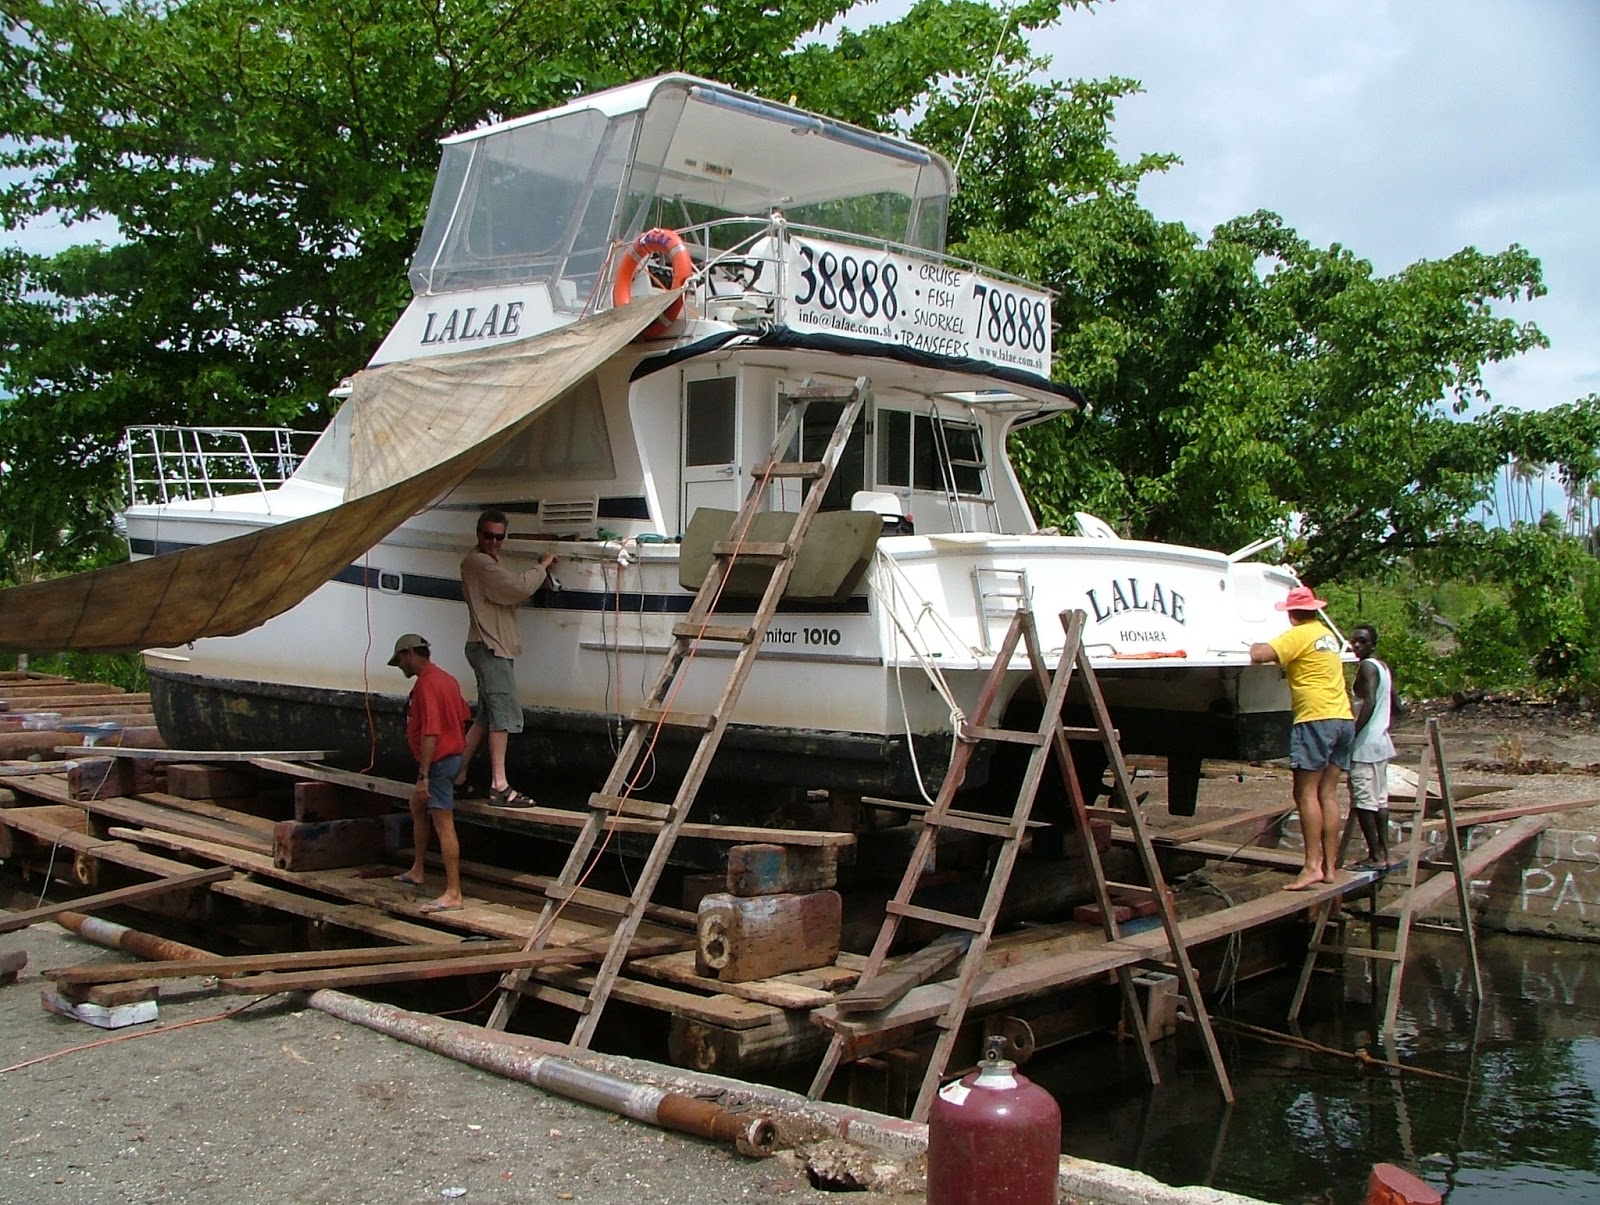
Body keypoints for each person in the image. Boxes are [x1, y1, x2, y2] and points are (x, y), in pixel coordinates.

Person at [1250, 585, 1355, 890]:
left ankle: (1311, 866)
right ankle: (1330, 867)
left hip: (1315, 719)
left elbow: (1260, 655)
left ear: (1292, 615)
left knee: (1305, 793)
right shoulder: (1327, 636)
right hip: (1342, 718)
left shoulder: (1299, 634)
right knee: (1328, 794)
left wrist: (1257, 642)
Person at [457, 508, 554, 808]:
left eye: (500, 537)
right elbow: (517, 587)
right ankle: (499, 785)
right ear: (478, 534)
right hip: (491, 648)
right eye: (489, 535)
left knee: (485, 717)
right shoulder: (480, 562)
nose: (494, 541)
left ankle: (455, 776)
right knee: (502, 716)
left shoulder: (485, 564)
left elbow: (508, 594)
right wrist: (543, 566)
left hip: (486, 646)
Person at [389, 633, 473, 914]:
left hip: (438, 762)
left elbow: (432, 731)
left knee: (444, 825)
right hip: (450, 757)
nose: (400, 665)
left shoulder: (426, 684)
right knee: (417, 804)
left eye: (400, 659)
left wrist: (424, 774)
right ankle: (418, 869)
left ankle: (453, 892)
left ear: (411, 653)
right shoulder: (447, 679)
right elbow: (463, 717)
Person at [1348, 623, 1400, 871]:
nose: (1356, 645)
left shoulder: (1368, 667)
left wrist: (1353, 733)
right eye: (1354, 641)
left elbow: (1368, 702)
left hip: (1366, 745)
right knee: (1380, 801)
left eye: (1362, 641)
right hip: (1381, 742)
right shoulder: (1384, 667)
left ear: (1372, 645)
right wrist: (1385, 723)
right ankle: (1384, 853)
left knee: (1364, 801)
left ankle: (1375, 856)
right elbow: (1396, 704)